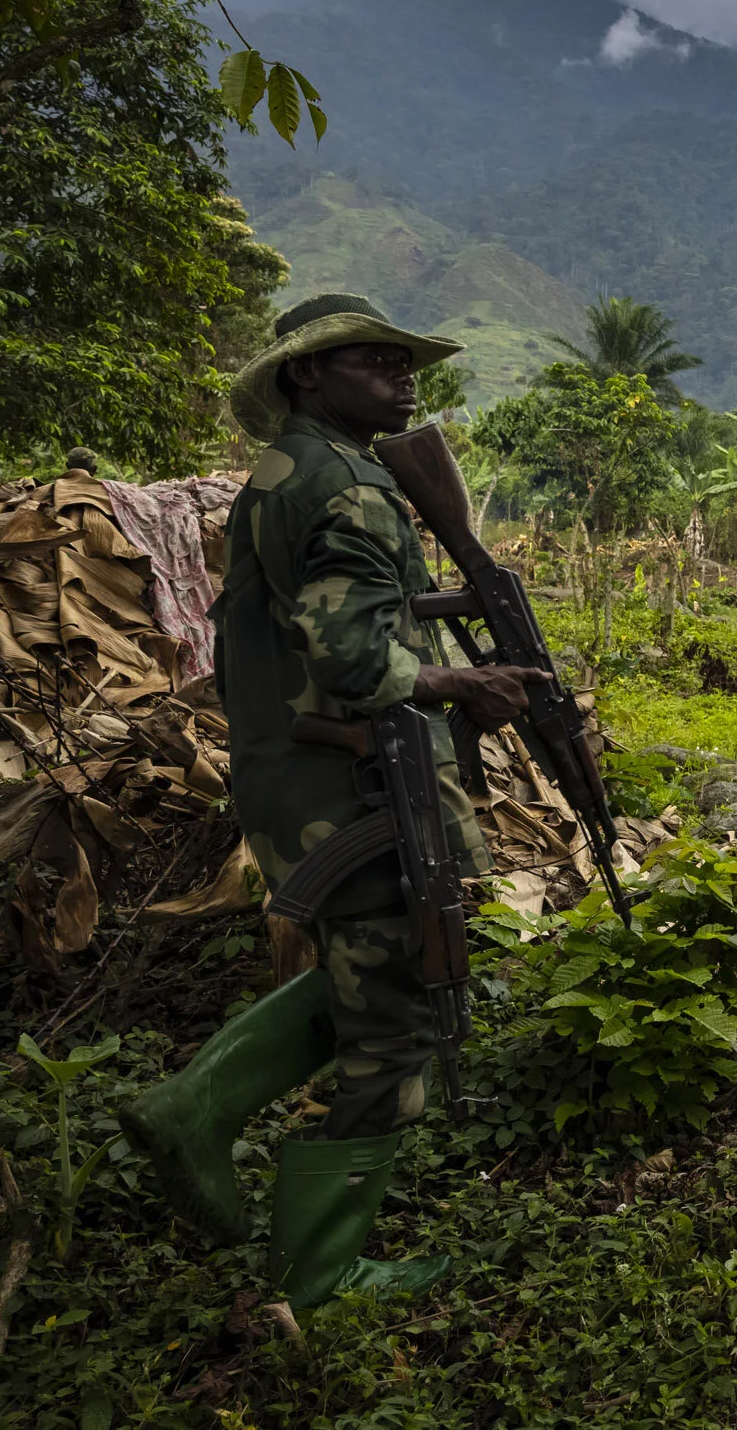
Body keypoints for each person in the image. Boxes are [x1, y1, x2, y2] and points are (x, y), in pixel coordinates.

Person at [121, 294, 546, 1310]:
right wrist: (464, 684)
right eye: (372, 360)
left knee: (375, 973)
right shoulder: (346, 485)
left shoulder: (295, 471)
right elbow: (355, 656)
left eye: (405, 360)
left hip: (307, 777)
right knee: (400, 1023)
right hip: (346, 784)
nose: (404, 376)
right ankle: (319, 1271)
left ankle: (193, 1102)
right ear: (305, 376)